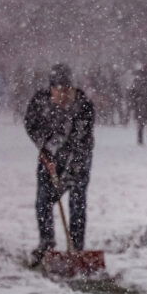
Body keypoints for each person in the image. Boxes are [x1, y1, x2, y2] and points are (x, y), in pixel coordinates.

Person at [23, 64, 95, 266]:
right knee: (43, 200)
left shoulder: (83, 106)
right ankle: (46, 243)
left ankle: (76, 247)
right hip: (49, 158)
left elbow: (83, 143)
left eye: (67, 89)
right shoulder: (40, 102)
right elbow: (31, 125)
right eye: (58, 90)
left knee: (77, 201)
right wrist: (46, 147)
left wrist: (71, 172)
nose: (63, 94)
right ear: (51, 89)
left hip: (79, 159)